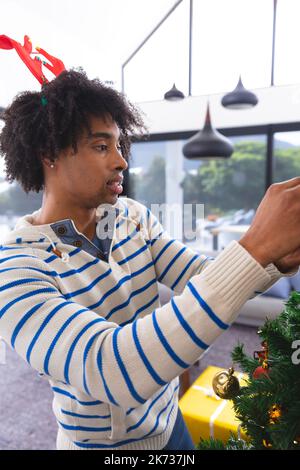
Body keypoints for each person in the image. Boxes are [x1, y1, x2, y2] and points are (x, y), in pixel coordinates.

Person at [1, 69, 300, 451]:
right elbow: (113, 369)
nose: (122, 161)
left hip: (171, 423)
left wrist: (276, 254)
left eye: (119, 146)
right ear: (49, 154)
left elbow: (204, 276)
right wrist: (255, 247)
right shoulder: (15, 269)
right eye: (101, 146)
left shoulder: (132, 216)